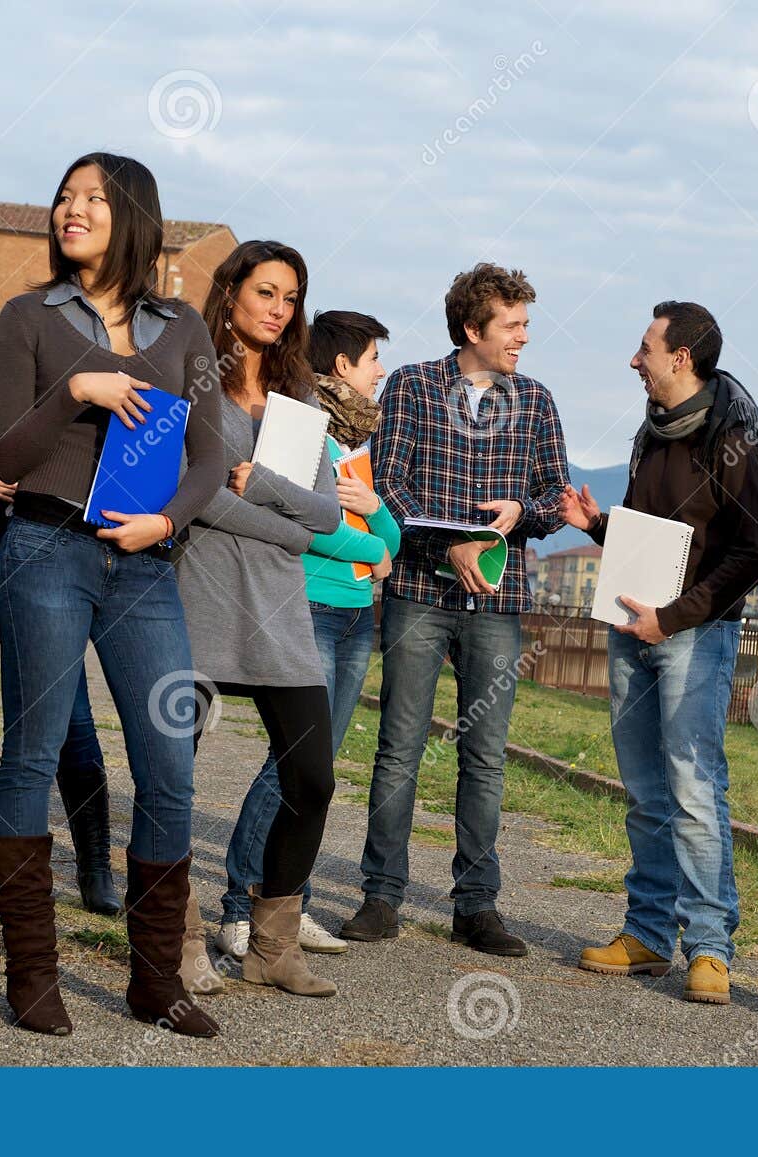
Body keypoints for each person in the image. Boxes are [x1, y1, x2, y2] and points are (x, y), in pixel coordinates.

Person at [0, 152, 226, 1038]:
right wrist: (75, 389)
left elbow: (208, 457)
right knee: (35, 753)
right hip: (45, 545)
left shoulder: (184, 332)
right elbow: (7, 457)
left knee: (170, 760)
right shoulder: (26, 319)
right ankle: (32, 973)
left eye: (91, 199)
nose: (69, 210)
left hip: (146, 564)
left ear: (132, 217)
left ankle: (155, 979)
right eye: (63, 196)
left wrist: (164, 526)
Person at [342, 263, 569, 957]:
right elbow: (393, 487)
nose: (523, 337)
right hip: (418, 591)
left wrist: (519, 513)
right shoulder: (410, 385)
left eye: (525, 323)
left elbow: (556, 498)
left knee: (486, 756)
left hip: (497, 602)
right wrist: (451, 550)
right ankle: (381, 896)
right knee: (399, 748)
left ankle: (476, 906)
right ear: (473, 329)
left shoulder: (535, 401)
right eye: (512, 324)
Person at [561, 301, 758, 1005]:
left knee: (692, 789)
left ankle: (709, 947)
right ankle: (648, 934)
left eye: (645, 346)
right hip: (632, 631)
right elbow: (653, 543)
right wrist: (598, 525)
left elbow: (754, 553)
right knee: (646, 792)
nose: (635, 358)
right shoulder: (650, 433)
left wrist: (673, 619)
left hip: (694, 636)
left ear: (681, 356)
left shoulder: (733, 436)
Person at [211, 309, 399, 961]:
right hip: (310, 604)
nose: (380, 371)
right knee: (289, 765)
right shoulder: (297, 422)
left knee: (314, 773)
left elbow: (390, 540)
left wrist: (377, 529)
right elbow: (303, 519)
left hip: (355, 616)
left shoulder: (358, 442)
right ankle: (240, 906)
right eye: (374, 358)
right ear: (344, 365)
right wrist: (371, 536)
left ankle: (290, 906)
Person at [180, 240, 341, 998]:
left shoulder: (300, 402)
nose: (279, 309)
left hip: (279, 610)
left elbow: (327, 514)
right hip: (198, 595)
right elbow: (195, 495)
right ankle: (175, 938)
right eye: (267, 292)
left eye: (291, 298)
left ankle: (272, 945)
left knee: (311, 775)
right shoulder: (192, 379)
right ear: (231, 292)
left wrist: (267, 487)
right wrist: (284, 522)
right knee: (169, 774)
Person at [0, 372, 121, 914]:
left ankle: (95, 869)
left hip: (47, 565)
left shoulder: (104, 388)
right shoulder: (0, 376)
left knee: (72, 718)